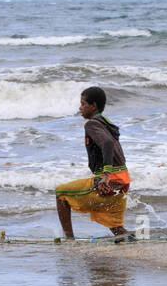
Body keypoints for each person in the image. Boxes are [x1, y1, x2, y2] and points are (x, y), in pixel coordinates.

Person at [56, 87, 134, 242]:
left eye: (83, 104)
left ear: (93, 106)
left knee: (61, 194)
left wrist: (105, 177)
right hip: (123, 181)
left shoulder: (92, 124)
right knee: (117, 228)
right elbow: (110, 143)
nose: (80, 108)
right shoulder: (106, 124)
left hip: (110, 181)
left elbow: (107, 143)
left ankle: (69, 240)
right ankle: (128, 239)